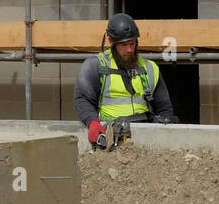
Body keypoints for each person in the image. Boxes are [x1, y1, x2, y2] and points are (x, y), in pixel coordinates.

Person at [74, 13, 178, 145]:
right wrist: (92, 122)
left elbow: (164, 109)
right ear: (111, 41)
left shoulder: (150, 68)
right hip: (110, 134)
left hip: (145, 135)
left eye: (132, 43)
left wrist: (164, 133)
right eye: (123, 45)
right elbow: (82, 99)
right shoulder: (95, 66)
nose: (129, 49)